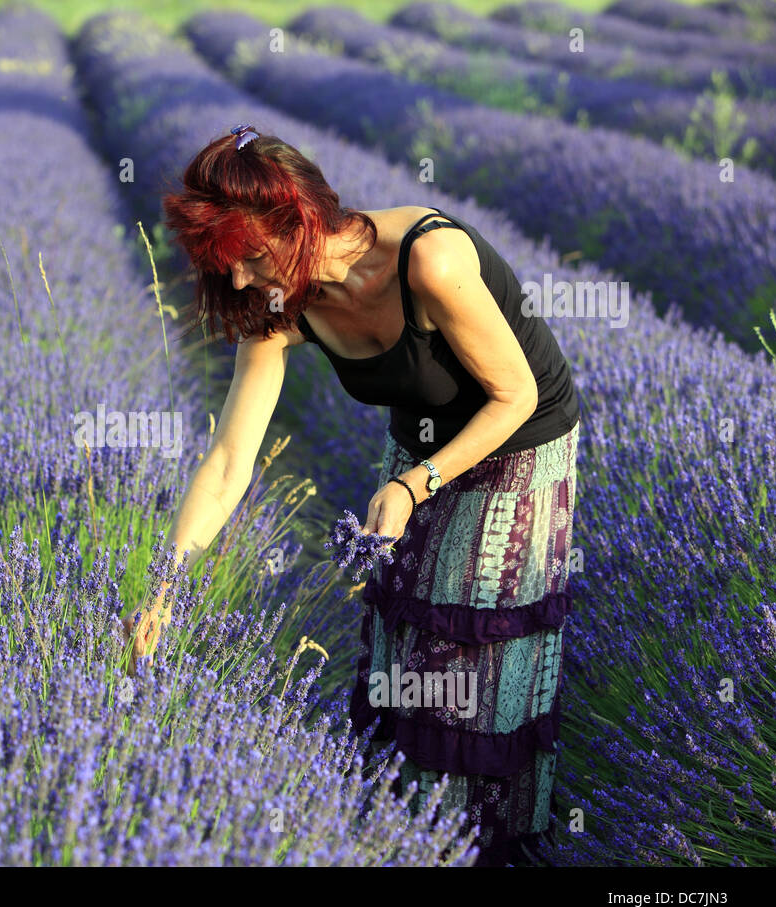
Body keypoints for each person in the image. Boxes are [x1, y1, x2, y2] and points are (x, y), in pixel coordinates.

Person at [122, 124, 582, 867]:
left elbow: (515, 392)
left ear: (296, 223)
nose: (238, 281)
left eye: (247, 258)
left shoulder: (430, 259)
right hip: (422, 442)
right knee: (405, 637)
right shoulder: (278, 305)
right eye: (222, 266)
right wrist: (166, 587)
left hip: (519, 440)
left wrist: (415, 482)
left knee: (472, 651)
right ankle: (408, 830)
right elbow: (232, 457)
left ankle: (491, 844)